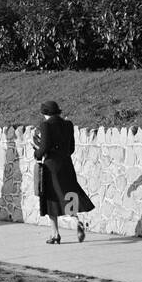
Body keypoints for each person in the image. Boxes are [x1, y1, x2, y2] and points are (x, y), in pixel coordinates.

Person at [35, 100, 95, 244]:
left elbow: (44, 147)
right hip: (67, 165)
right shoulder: (68, 125)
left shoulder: (45, 125)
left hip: (51, 167)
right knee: (69, 195)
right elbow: (71, 148)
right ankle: (77, 221)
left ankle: (55, 234)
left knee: (51, 199)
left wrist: (37, 154)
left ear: (45, 114)